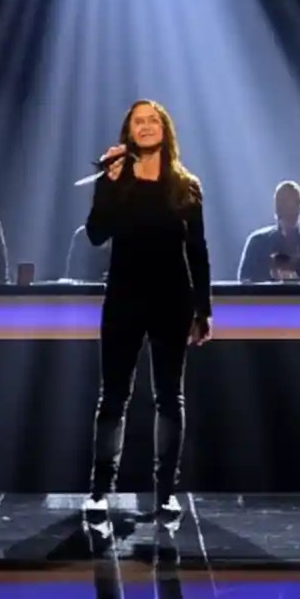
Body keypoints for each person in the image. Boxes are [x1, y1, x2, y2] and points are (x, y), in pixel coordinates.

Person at [82, 99, 212, 522]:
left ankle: (165, 493)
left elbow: (198, 252)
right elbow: (95, 235)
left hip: (172, 300)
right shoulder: (115, 179)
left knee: (170, 398)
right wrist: (111, 185)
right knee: (113, 398)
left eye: (152, 120)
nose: (146, 126)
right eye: (138, 122)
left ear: (165, 129)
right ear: (128, 132)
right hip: (123, 299)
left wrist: (203, 308)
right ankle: (101, 490)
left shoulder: (185, 186)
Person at [236, 181, 300, 282]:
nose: (288, 208)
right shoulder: (257, 243)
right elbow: (244, 283)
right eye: (283, 203)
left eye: (292, 202)